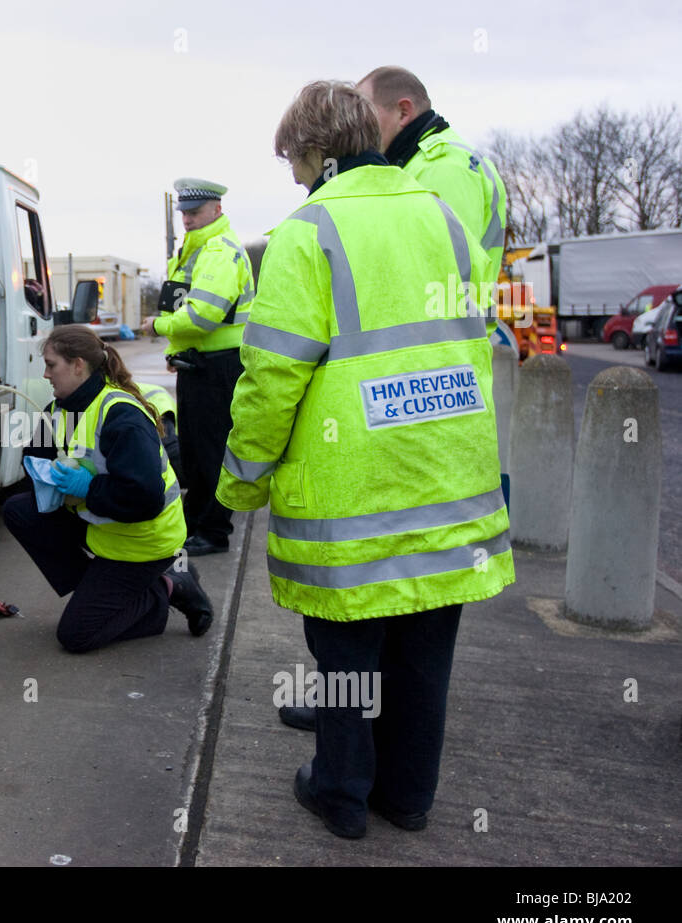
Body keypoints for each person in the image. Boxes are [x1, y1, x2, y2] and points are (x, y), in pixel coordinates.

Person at [218, 80, 514, 838]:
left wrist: (243, 478)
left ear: (316, 150)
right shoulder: (442, 216)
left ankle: (342, 794)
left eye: (291, 156)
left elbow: (273, 375)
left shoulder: (307, 231)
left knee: (348, 652)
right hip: (448, 474)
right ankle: (408, 798)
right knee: (424, 654)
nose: (290, 171)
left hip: (355, 489)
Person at [278, 67, 513, 737]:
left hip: (401, 419)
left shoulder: (441, 176)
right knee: (417, 637)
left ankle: (350, 766)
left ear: (401, 111)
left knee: (381, 620)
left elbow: (405, 301)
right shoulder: (430, 179)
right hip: (438, 415)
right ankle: (392, 778)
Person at [2, 325, 213, 652]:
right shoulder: (61, 409)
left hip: (142, 541)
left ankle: (168, 588)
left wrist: (89, 487)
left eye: (51, 365)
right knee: (19, 509)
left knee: (76, 636)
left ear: (77, 366)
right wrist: (44, 474)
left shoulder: (119, 414)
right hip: (103, 527)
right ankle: (99, 589)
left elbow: (144, 500)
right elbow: (34, 461)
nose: (45, 374)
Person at [140, 179, 255, 557]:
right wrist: (177, 351)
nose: (187, 219)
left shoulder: (219, 251)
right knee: (195, 451)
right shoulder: (192, 250)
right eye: (184, 213)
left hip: (218, 367)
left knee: (210, 452)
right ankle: (200, 523)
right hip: (199, 364)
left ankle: (214, 531)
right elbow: (178, 307)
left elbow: (203, 316)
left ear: (216, 210)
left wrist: (158, 328)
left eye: (195, 212)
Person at [356, 66, 508, 299]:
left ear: (403, 112)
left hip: (443, 334)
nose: (359, 125)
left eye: (366, 113)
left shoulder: (442, 167)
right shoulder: (423, 163)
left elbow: (442, 273)